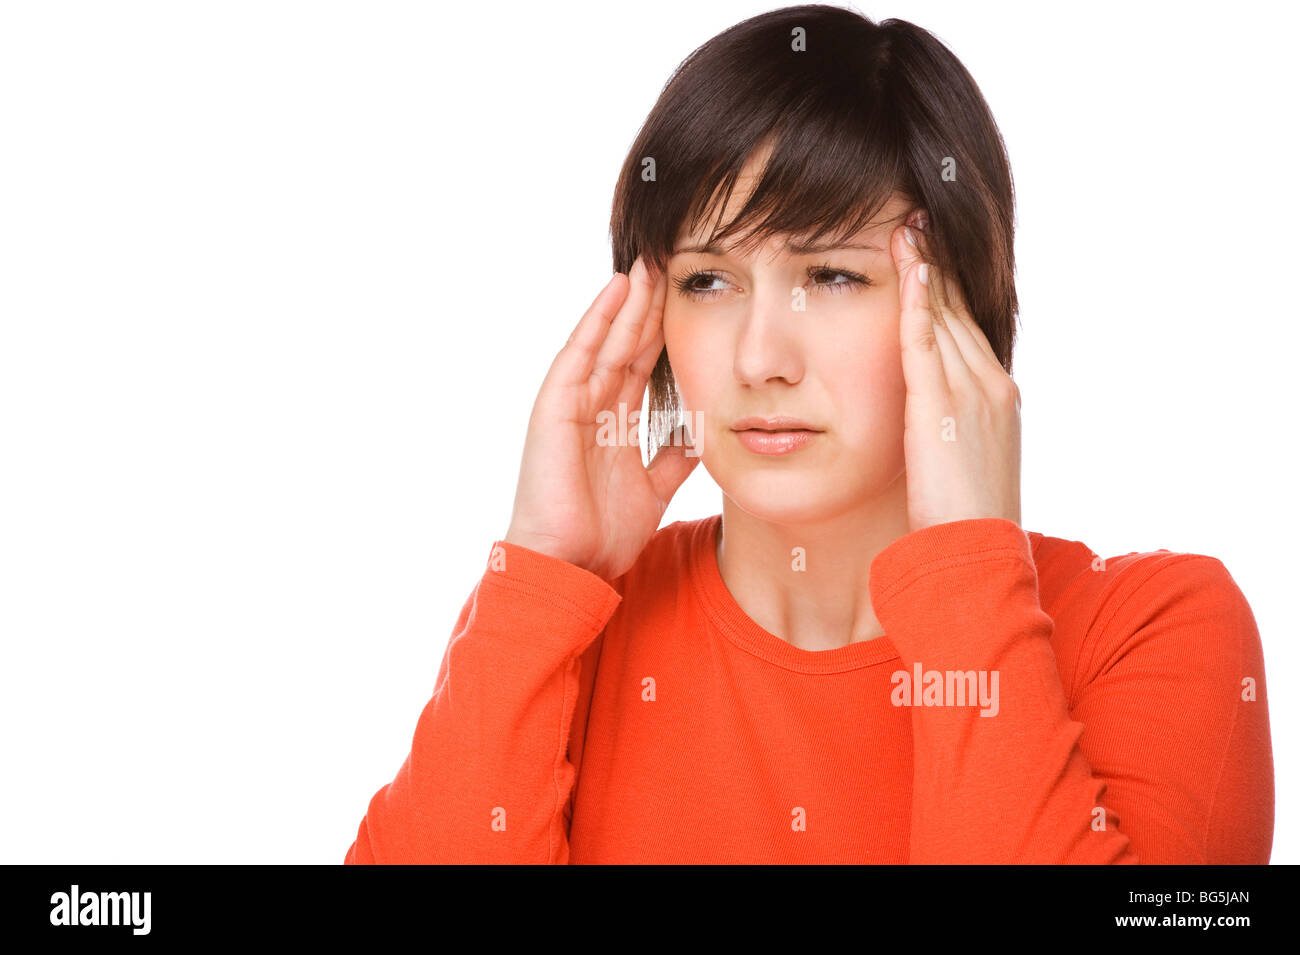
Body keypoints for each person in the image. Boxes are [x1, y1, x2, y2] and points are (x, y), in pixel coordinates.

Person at [344, 4, 1273, 864]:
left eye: (831, 275)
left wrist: (966, 575)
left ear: (961, 305)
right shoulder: (575, 627)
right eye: (708, 280)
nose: (760, 358)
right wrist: (544, 570)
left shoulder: (1152, 628)